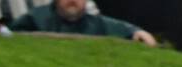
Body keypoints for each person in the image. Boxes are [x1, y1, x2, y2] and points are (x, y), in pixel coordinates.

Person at [10, 0, 158, 45]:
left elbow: (120, 28)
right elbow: (7, 35)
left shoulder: (95, 23)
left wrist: (138, 32)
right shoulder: (37, 17)